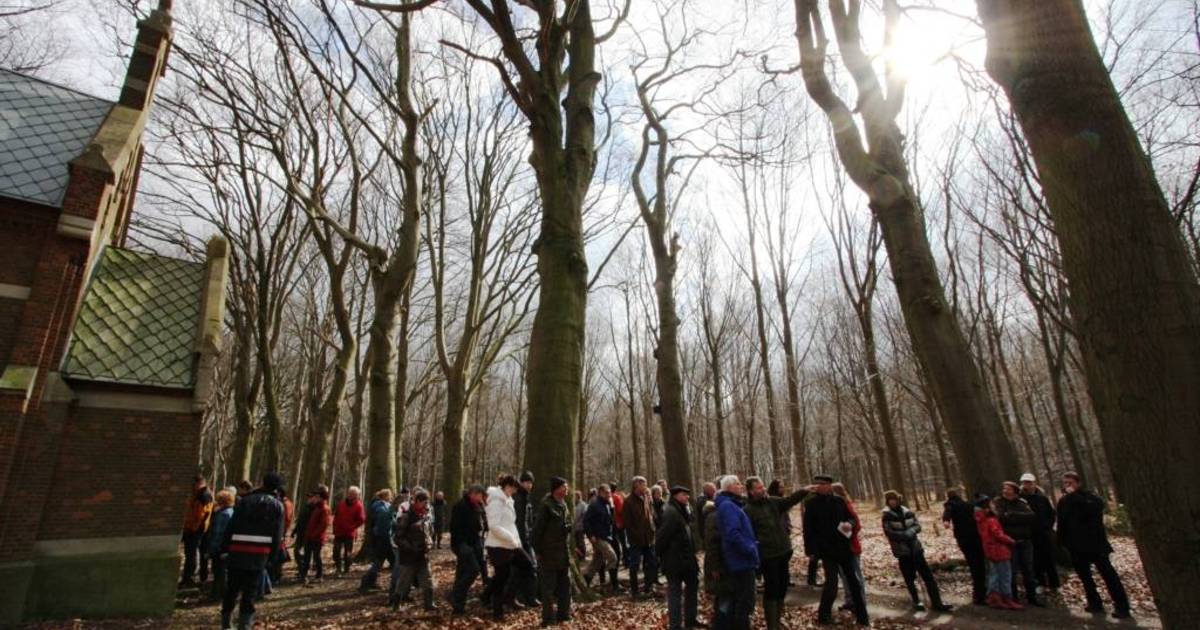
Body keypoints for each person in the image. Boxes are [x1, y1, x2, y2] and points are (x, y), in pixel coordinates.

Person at [1056, 472, 1131, 619]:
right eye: (1065, 483)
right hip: (1076, 546)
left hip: (1095, 544)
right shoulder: (1064, 501)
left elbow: (1093, 510)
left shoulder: (1090, 498)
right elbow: (1062, 522)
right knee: (1085, 577)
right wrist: (1061, 542)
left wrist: (1074, 496)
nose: (1067, 486)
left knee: (1109, 575)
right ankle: (1094, 602)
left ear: (1078, 483)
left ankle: (1122, 606)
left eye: (1070, 483)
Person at [219, 472, 285, 630]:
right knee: (250, 592)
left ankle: (226, 623)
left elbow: (231, 525)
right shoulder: (277, 506)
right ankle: (244, 626)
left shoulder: (244, 501)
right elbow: (277, 534)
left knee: (232, 588)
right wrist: (272, 557)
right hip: (259, 553)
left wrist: (225, 547)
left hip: (237, 550)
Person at [743, 477, 810, 630]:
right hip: (767, 556)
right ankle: (772, 625)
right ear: (751, 491)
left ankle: (777, 620)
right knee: (772, 590)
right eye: (759, 488)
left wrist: (805, 490)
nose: (763, 489)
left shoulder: (773, 502)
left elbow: (790, 500)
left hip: (783, 552)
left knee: (783, 587)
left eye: (763, 486)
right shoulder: (747, 510)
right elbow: (749, 535)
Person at [803, 474, 868, 626]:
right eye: (817, 484)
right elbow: (808, 529)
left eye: (822, 484)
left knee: (854, 582)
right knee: (831, 584)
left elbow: (852, 519)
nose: (819, 486)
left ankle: (862, 615)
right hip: (826, 551)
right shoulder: (811, 504)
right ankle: (824, 616)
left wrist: (849, 524)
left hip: (844, 548)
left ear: (829, 486)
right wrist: (811, 551)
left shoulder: (839, 501)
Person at [881, 490, 952, 613]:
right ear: (887, 502)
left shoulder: (907, 511)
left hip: (916, 548)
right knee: (909, 578)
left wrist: (912, 532)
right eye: (890, 500)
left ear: (898, 499)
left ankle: (937, 602)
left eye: (894, 499)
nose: (893, 501)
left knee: (927, 576)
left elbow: (917, 525)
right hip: (902, 552)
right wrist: (903, 535)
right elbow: (889, 532)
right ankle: (916, 601)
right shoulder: (886, 515)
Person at [656, 485, 706, 630]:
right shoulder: (671, 513)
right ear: (676, 496)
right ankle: (676, 625)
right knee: (675, 593)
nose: (687, 497)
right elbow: (662, 538)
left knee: (692, 588)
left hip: (687, 560)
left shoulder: (683, 509)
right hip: (675, 561)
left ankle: (690, 620)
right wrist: (662, 557)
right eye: (684, 494)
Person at [714, 475, 759, 630]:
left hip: (741, 559)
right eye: (738, 484)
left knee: (740, 601)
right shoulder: (728, 506)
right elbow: (732, 533)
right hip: (740, 560)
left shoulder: (733, 504)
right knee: (743, 603)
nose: (741, 486)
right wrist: (749, 548)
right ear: (729, 487)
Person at [485, 474, 530, 620]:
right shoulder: (496, 501)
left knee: (528, 565)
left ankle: (504, 597)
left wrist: (516, 542)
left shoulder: (507, 500)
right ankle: (497, 612)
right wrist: (511, 539)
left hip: (511, 544)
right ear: (508, 486)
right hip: (498, 546)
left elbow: (510, 524)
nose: (516, 491)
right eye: (514, 488)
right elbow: (494, 526)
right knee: (501, 578)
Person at [993, 481, 1043, 606]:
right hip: (1009, 542)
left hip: (1025, 541)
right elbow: (1001, 518)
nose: (1005, 491)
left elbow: (1031, 517)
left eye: (1008, 489)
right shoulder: (999, 503)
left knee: (1028, 570)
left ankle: (1032, 598)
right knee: (1012, 571)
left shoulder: (1022, 503)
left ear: (1014, 491)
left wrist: (1013, 515)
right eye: (1004, 488)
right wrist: (1017, 518)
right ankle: (1013, 598)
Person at [532, 476, 573, 626]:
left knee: (565, 585)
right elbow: (536, 531)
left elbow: (566, 524)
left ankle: (563, 615)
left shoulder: (564, 504)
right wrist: (537, 551)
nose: (567, 489)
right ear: (556, 489)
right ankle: (548, 619)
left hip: (563, 553)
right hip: (548, 553)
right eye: (564, 486)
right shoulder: (546, 506)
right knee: (548, 588)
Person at [389, 489, 436, 611]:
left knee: (428, 579)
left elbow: (428, 533)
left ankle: (429, 604)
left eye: (427, 503)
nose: (426, 506)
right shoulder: (406, 516)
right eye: (424, 503)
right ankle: (396, 604)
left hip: (423, 554)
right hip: (409, 555)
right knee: (404, 581)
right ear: (417, 502)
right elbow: (398, 537)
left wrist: (429, 543)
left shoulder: (425, 516)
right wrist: (410, 547)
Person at [976, 495, 1022, 610]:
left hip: (989, 550)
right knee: (1005, 575)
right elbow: (998, 535)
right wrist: (1012, 541)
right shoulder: (991, 520)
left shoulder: (980, 519)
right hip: (999, 550)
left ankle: (994, 598)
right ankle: (1007, 598)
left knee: (994, 575)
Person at [941, 488, 987, 605]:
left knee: (974, 565)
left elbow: (947, 513)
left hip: (965, 539)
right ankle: (981, 593)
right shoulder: (967, 504)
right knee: (979, 564)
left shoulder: (952, 505)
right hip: (976, 537)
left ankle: (979, 594)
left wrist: (946, 521)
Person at [449, 485, 487, 614]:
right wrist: (462, 545)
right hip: (462, 544)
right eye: (480, 495)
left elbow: (480, 524)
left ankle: (458, 605)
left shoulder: (478, 506)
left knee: (461, 572)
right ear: (474, 493)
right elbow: (454, 528)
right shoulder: (460, 506)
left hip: (475, 542)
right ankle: (456, 594)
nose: (482, 498)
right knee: (473, 570)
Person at [1019, 473, 1060, 591]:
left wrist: (1047, 527)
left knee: (1049, 559)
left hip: (1044, 533)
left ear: (1034, 484)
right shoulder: (1021, 499)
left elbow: (1051, 514)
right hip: (1029, 535)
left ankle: (1054, 584)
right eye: (1025, 483)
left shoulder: (1042, 498)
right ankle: (1040, 583)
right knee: (1035, 561)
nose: (1027, 485)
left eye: (1029, 483)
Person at [624, 476, 660, 599]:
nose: (645, 486)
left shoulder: (646, 498)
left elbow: (651, 514)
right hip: (636, 540)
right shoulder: (628, 501)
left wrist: (653, 529)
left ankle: (648, 587)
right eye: (643, 484)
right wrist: (635, 536)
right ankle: (634, 591)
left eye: (645, 484)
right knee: (634, 565)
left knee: (651, 563)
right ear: (636, 485)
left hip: (649, 537)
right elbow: (627, 523)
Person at [831, 483, 864, 613]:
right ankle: (850, 601)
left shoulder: (846, 505)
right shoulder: (832, 507)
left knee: (856, 576)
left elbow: (857, 524)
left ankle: (860, 602)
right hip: (838, 549)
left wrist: (848, 529)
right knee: (845, 577)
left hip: (851, 547)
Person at [701, 483, 729, 630]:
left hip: (723, 563)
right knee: (724, 598)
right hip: (719, 565)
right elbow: (712, 545)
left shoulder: (717, 515)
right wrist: (715, 567)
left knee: (724, 598)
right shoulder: (713, 517)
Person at [583, 483, 620, 591]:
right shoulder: (594, 504)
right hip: (598, 537)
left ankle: (586, 581)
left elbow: (610, 520)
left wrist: (612, 507)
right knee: (613, 557)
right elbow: (586, 521)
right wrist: (590, 535)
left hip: (606, 536)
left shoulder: (607, 503)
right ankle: (614, 585)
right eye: (606, 493)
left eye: (609, 492)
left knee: (597, 561)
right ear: (600, 493)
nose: (609, 494)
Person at [513, 471, 540, 608]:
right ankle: (523, 597)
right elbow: (519, 523)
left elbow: (527, 521)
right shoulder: (519, 498)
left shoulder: (525, 498)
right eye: (527, 482)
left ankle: (529, 597)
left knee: (530, 568)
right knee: (525, 568)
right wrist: (522, 541)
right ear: (521, 482)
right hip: (520, 541)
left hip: (526, 539)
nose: (530, 485)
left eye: (531, 483)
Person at [359, 489, 395, 593]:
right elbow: (383, 522)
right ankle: (366, 583)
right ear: (385, 496)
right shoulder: (380, 506)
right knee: (380, 562)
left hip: (385, 538)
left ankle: (370, 583)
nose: (391, 497)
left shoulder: (382, 506)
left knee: (388, 563)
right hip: (383, 539)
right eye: (390, 495)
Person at [181, 474, 214, 588]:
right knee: (191, 555)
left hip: (196, 530)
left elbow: (200, 515)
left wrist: (192, 527)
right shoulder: (199, 494)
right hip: (193, 529)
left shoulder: (203, 496)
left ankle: (190, 578)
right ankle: (188, 577)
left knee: (192, 555)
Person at [297, 485, 332, 584]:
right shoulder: (317, 507)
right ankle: (304, 575)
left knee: (316, 557)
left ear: (321, 498)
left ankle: (319, 574)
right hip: (310, 536)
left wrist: (313, 535)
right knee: (307, 556)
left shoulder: (324, 509)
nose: (315, 498)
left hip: (317, 538)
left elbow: (323, 525)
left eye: (317, 497)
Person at [207, 488, 236, 601]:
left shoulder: (223, 515)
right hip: (226, 547)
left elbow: (218, 534)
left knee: (219, 572)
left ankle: (217, 594)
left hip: (220, 548)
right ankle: (220, 593)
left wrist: (212, 549)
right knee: (222, 572)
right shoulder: (231, 512)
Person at [332, 486, 366, 575]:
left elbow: (361, 519)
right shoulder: (342, 504)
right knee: (336, 551)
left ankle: (346, 568)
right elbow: (336, 515)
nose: (351, 495)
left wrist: (352, 527)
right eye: (350, 493)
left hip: (349, 533)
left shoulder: (359, 506)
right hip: (338, 532)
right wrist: (335, 526)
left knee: (348, 553)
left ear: (357, 495)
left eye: (354, 494)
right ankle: (338, 567)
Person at [611, 483, 627, 566]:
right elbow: (621, 510)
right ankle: (625, 559)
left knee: (615, 542)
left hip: (612, 524)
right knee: (623, 542)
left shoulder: (609, 497)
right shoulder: (617, 497)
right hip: (619, 523)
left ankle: (616, 559)